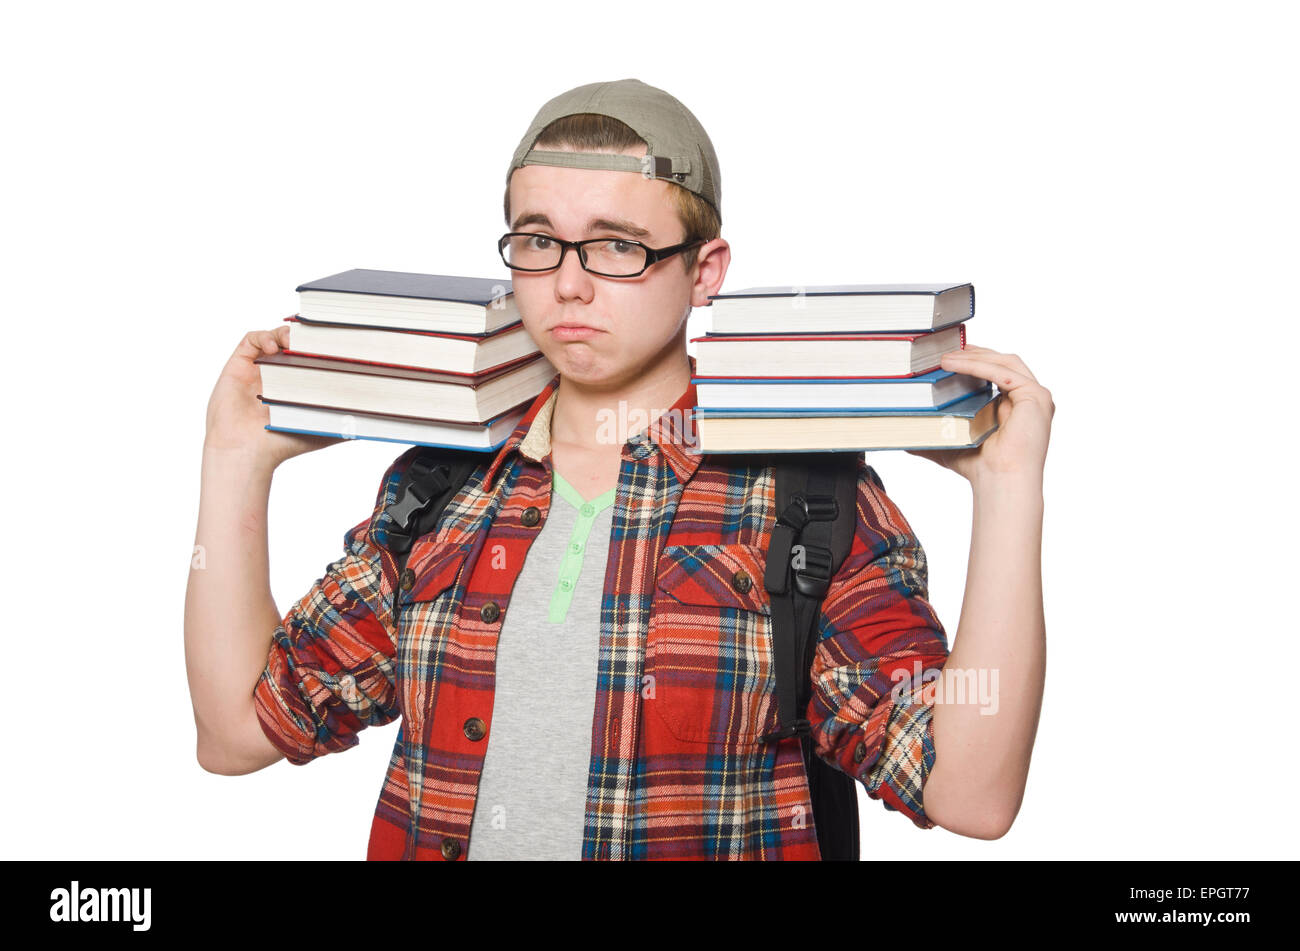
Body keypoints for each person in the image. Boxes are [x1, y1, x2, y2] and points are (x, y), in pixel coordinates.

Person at [184, 78, 1053, 860]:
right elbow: (238, 731)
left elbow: (969, 793)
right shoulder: (442, 489)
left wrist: (1009, 493)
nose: (568, 285)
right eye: (538, 241)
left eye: (616, 247)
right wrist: (233, 460)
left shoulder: (805, 504)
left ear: (702, 270)